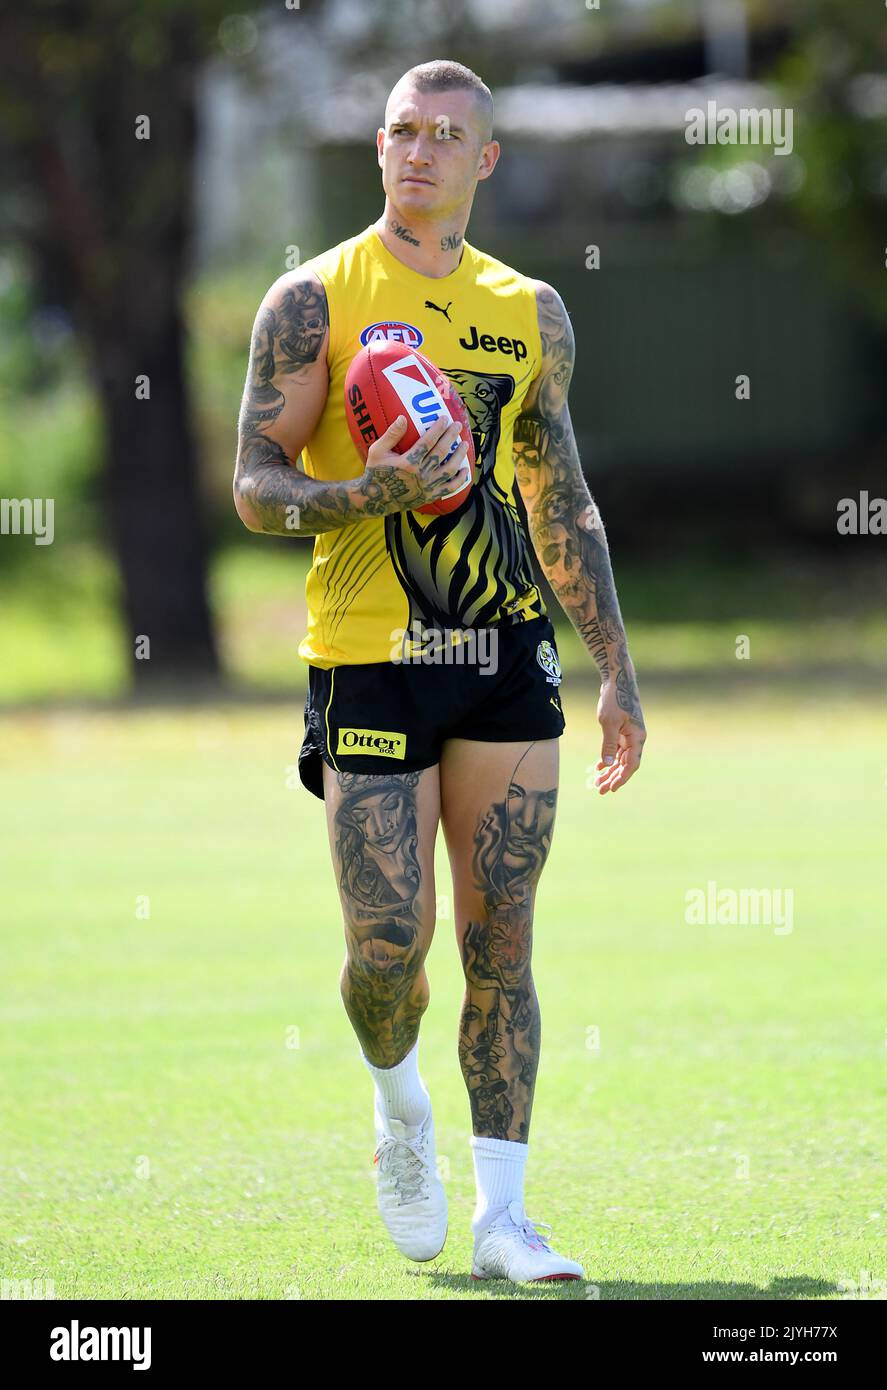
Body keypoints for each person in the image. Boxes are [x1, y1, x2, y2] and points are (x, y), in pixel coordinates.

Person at [233, 59, 646, 1284]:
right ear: (378, 148)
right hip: (371, 659)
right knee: (386, 946)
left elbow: (556, 491)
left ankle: (502, 1218)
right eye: (402, 131)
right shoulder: (311, 299)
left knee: (501, 938)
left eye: (446, 135)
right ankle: (396, 1106)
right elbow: (255, 485)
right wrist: (368, 490)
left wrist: (615, 667)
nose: (420, 151)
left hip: (503, 652)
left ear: (485, 162)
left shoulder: (530, 311)